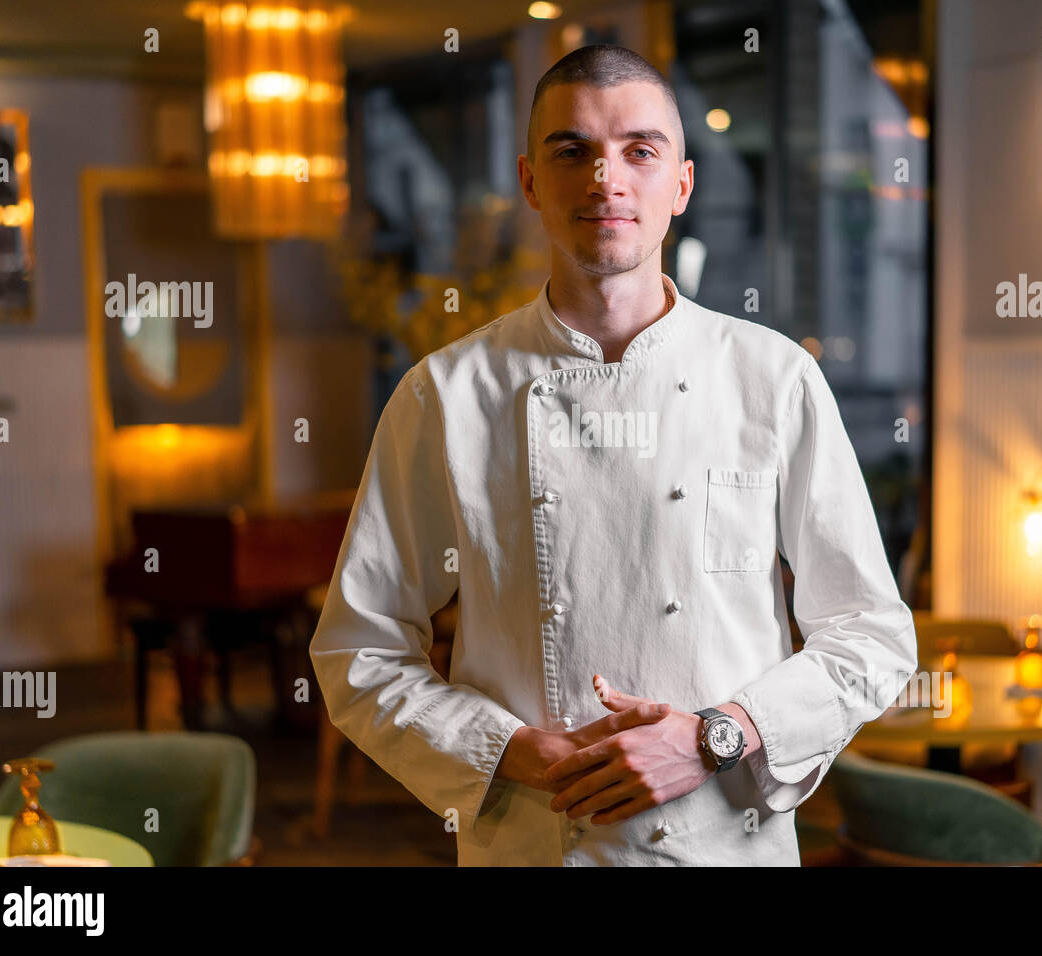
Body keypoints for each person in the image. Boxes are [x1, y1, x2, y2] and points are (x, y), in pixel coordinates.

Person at [310, 43, 918, 866]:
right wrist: (516, 751)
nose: (607, 179)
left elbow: (869, 636)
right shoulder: (445, 396)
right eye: (573, 152)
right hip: (539, 836)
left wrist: (716, 736)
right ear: (530, 181)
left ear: (682, 185)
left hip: (726, 843)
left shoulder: (774, 379)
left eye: (640, 150)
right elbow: (359, 651)